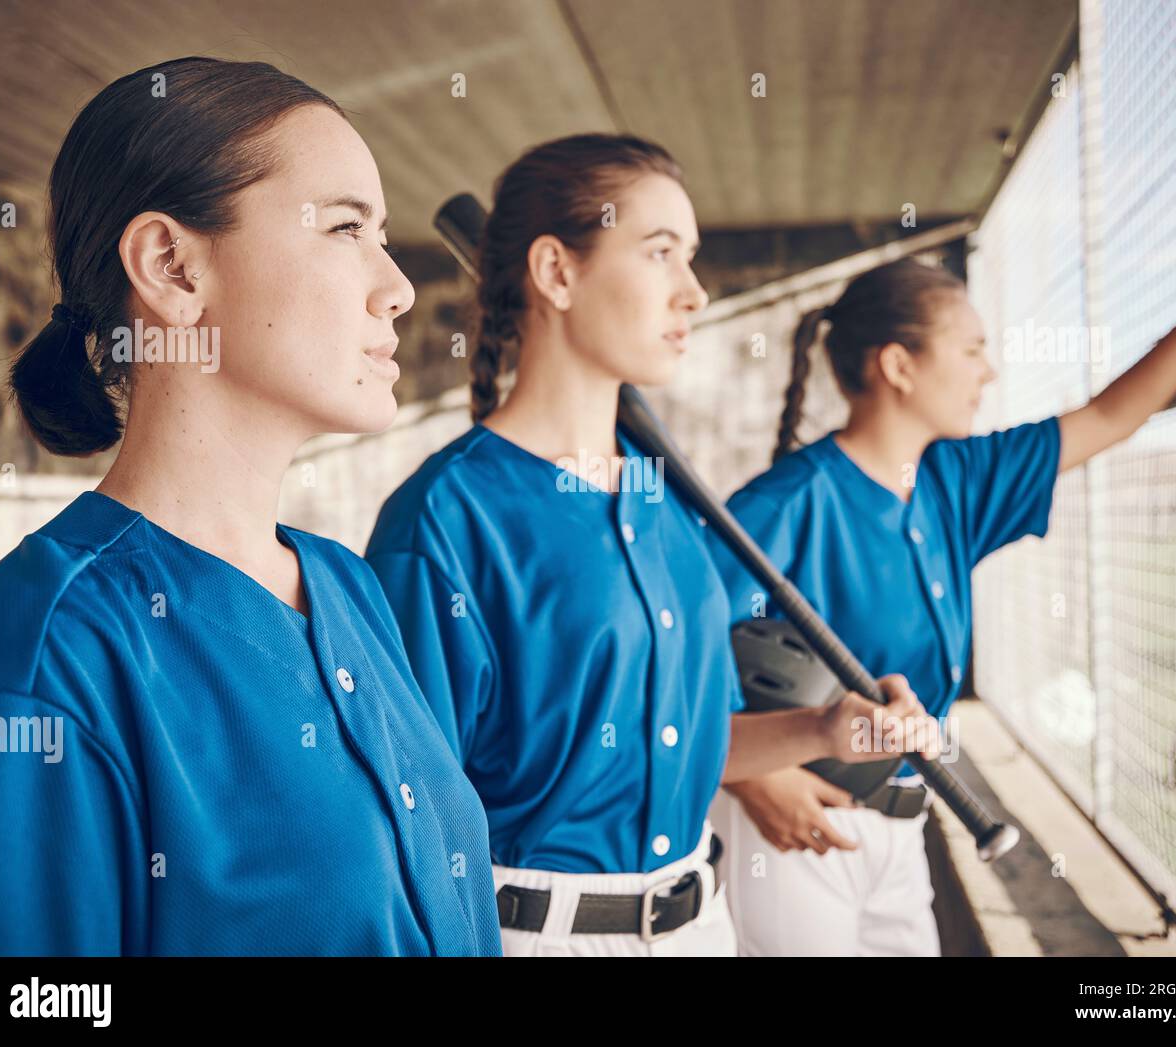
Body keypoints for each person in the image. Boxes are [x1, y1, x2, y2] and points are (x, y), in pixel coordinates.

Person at [0, 56, 501, 956]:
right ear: (172, 266)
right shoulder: (45, 654)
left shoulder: (349, 585)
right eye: (344, 227)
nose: (398, 285)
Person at [365, 133, 941, 957]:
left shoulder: (663, 505)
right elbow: (405, 823)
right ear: (557, 273)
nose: (695, 294)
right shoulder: (446, 519)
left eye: (693, 258)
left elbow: (681, 750)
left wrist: (822, 730)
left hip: (700, 925)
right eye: (662, 253)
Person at [708, 167, 1176, 956]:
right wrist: (753, 776)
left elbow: (1112, 414)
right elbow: (676, 657)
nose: (988, 371)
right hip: (801, 827)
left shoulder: (955, 479)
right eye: (970, 349)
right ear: (898, 365)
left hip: (906, 824)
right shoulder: (789, 501)